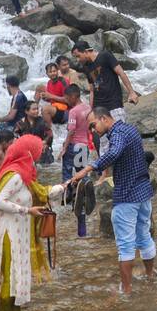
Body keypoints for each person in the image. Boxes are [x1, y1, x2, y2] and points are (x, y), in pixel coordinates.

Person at [0, 135, 67, 311]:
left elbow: (41, 192)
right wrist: (26, 210)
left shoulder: (25, 175)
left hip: (20, 231)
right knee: (10, 273)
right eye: (35, 154)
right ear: (27, 154)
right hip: (8, 233)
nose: (36, 158)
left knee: (19, 273)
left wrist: (62, 187)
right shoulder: (14, 175)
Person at [68, 107, 156, 295]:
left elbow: (114, 153)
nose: (93, 130)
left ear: (104, 118)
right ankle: (150, 275)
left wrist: (87, 169)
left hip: (127, 196)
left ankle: (126, 289)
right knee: (144, 236)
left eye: (93, 125)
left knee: (125, 245)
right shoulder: (130, 129)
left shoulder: (116, 134)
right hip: (143, 193)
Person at [59, 84, 94, 237]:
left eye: (67, 98)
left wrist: (64, 148)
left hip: (74, 146)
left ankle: (66, 195)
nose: (66, 100)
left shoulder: (73, 111)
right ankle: (84, 199)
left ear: (73, 96)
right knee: (83, 174)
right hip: (85, 145)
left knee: (67, 170)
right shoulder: (87, 107)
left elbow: (71, 131)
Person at [72, 39, 140, 116]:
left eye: (78, 56)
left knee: (118, 127)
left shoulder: (105, 56)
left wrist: (131, 92)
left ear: (85, 52)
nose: (77, 60)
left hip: (114, 103)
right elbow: (92, 90)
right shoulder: (86, 67)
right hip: (98, 108)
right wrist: (91, 110)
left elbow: (121, 73)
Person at [37, 61, 70, 127]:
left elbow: (68, 100)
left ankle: (51, 132)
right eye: (50, 72)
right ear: (47, 74)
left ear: (58, 71)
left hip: (66, 111)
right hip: (56, 109)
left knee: (45, 109)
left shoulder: (63, 82)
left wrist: (51, 96)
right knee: (39, 88)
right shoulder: (49, 82)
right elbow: (51, 99)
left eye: (54, 71)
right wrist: (45, 98)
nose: (53, 73)